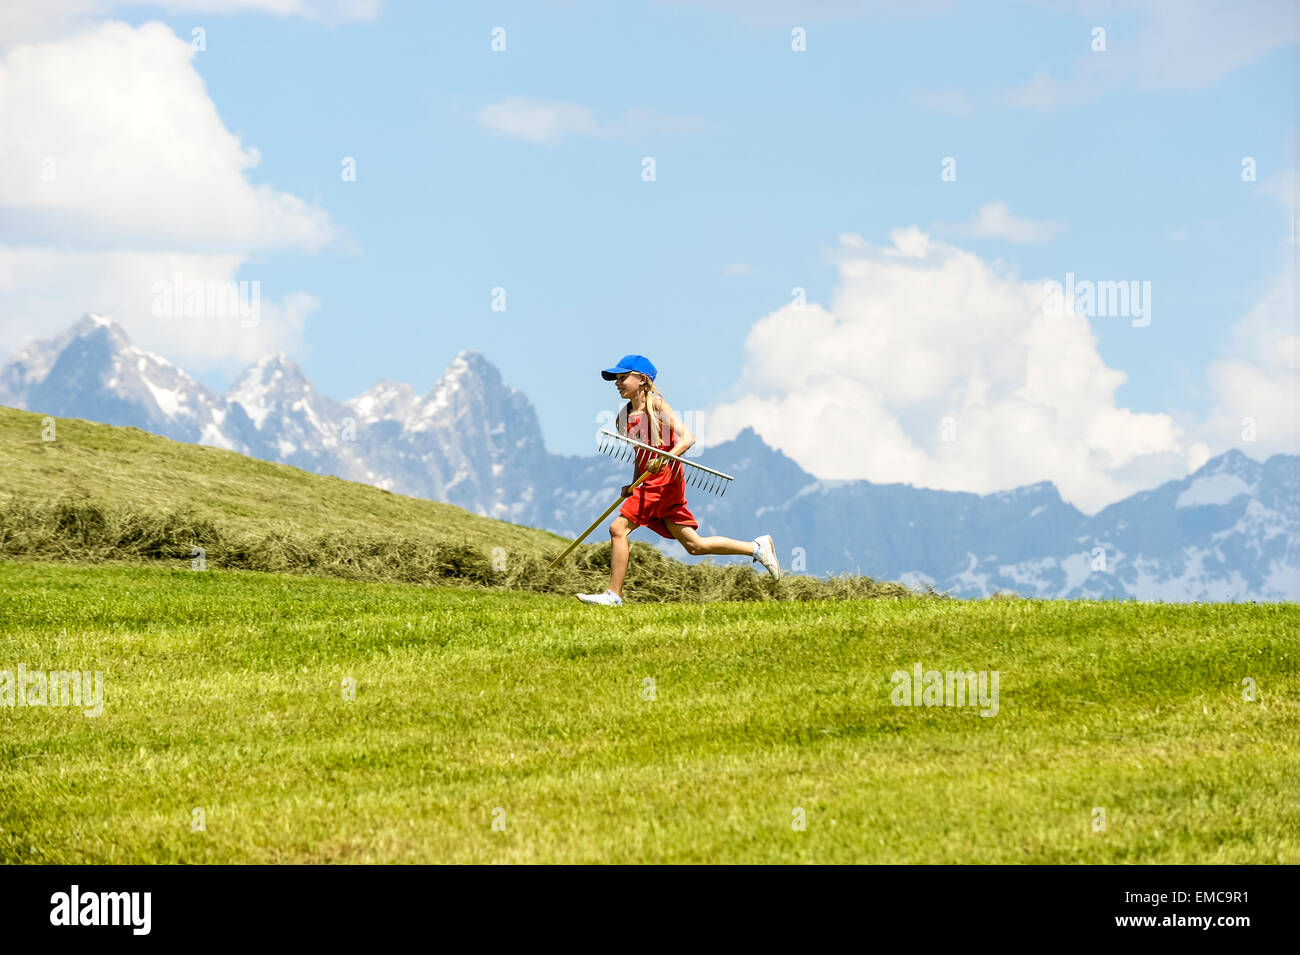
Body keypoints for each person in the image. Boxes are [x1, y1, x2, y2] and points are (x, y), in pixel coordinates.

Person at [576, 354, 781, 606]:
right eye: (615, 379)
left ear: (641, 380)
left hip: (664, 481)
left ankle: (613, 596)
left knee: (617, 529)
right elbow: (640, 456)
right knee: (695, 546)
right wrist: (634, 484)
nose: (617, 383)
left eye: (622, 378)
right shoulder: (624, 418)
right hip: (650, 481)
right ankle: (757, 548)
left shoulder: (656, 405)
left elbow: (688, 439)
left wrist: (665, 458)